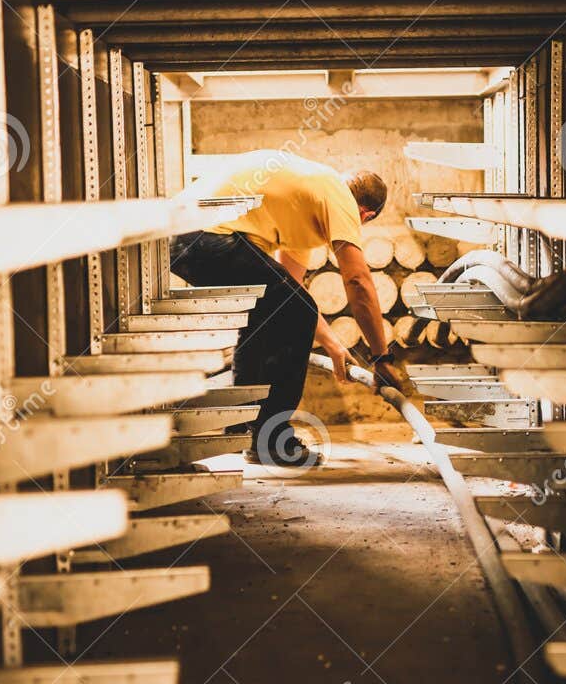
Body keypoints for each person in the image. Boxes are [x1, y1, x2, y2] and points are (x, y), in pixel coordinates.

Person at [169, 149, 411, 467]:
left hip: (183, 235)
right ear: (364, 215)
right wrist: (381, 357)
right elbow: (358, 283)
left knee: (269, 314)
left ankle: (241, 426)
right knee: (289, 312)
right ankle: (270, 439)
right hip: (203, 235)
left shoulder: (308, 205)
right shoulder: (339, 197)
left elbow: (291, 300)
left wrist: (334, 346)